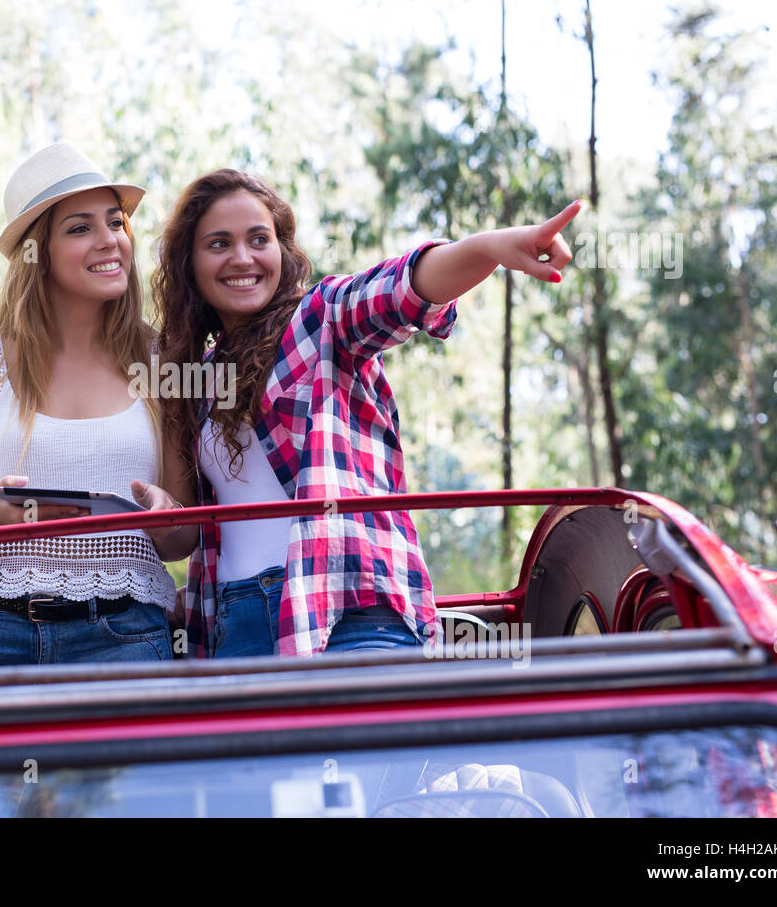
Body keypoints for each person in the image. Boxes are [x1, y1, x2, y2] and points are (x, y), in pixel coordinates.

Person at [150, 168, 581, 658]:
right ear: (190, 263)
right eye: (219, 243)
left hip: (347, 618)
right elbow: (203, 525)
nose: (242, 257)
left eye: (258, 239)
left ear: (282, 251)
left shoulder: (320, 319)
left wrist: (488, 248)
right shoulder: (199, 378)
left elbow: (403, 290)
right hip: (235, 625)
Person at [0, 142, 195, 668]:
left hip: (126, 635)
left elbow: (183, 535)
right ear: (35, 252)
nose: (110, 240)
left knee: (122, 757)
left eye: (115, 223)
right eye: (80, 228)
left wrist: (164, 518)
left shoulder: (164, 360)